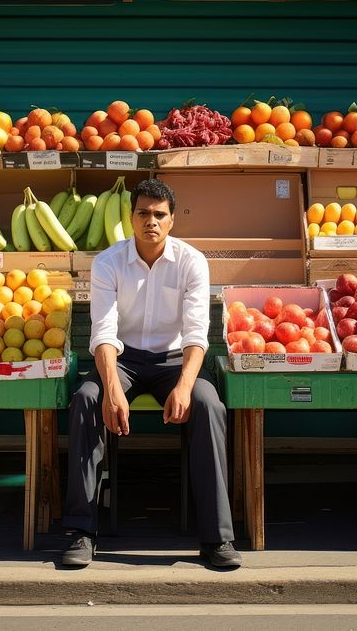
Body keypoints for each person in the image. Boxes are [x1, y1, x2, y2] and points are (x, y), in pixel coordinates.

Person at [60, 178, 240, 569]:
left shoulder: (192, 261)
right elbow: (104, 333)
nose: (151, 222)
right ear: (131, 217)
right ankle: (80, 532)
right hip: (122, 359)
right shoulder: (108, 261)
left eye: (160, 215)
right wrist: (111, 388)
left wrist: (185, 386)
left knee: (208, 404)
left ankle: (217, 539)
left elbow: (197, 334)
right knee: (86, 400)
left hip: (174, 360)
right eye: (143, 213)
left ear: (172, 220)